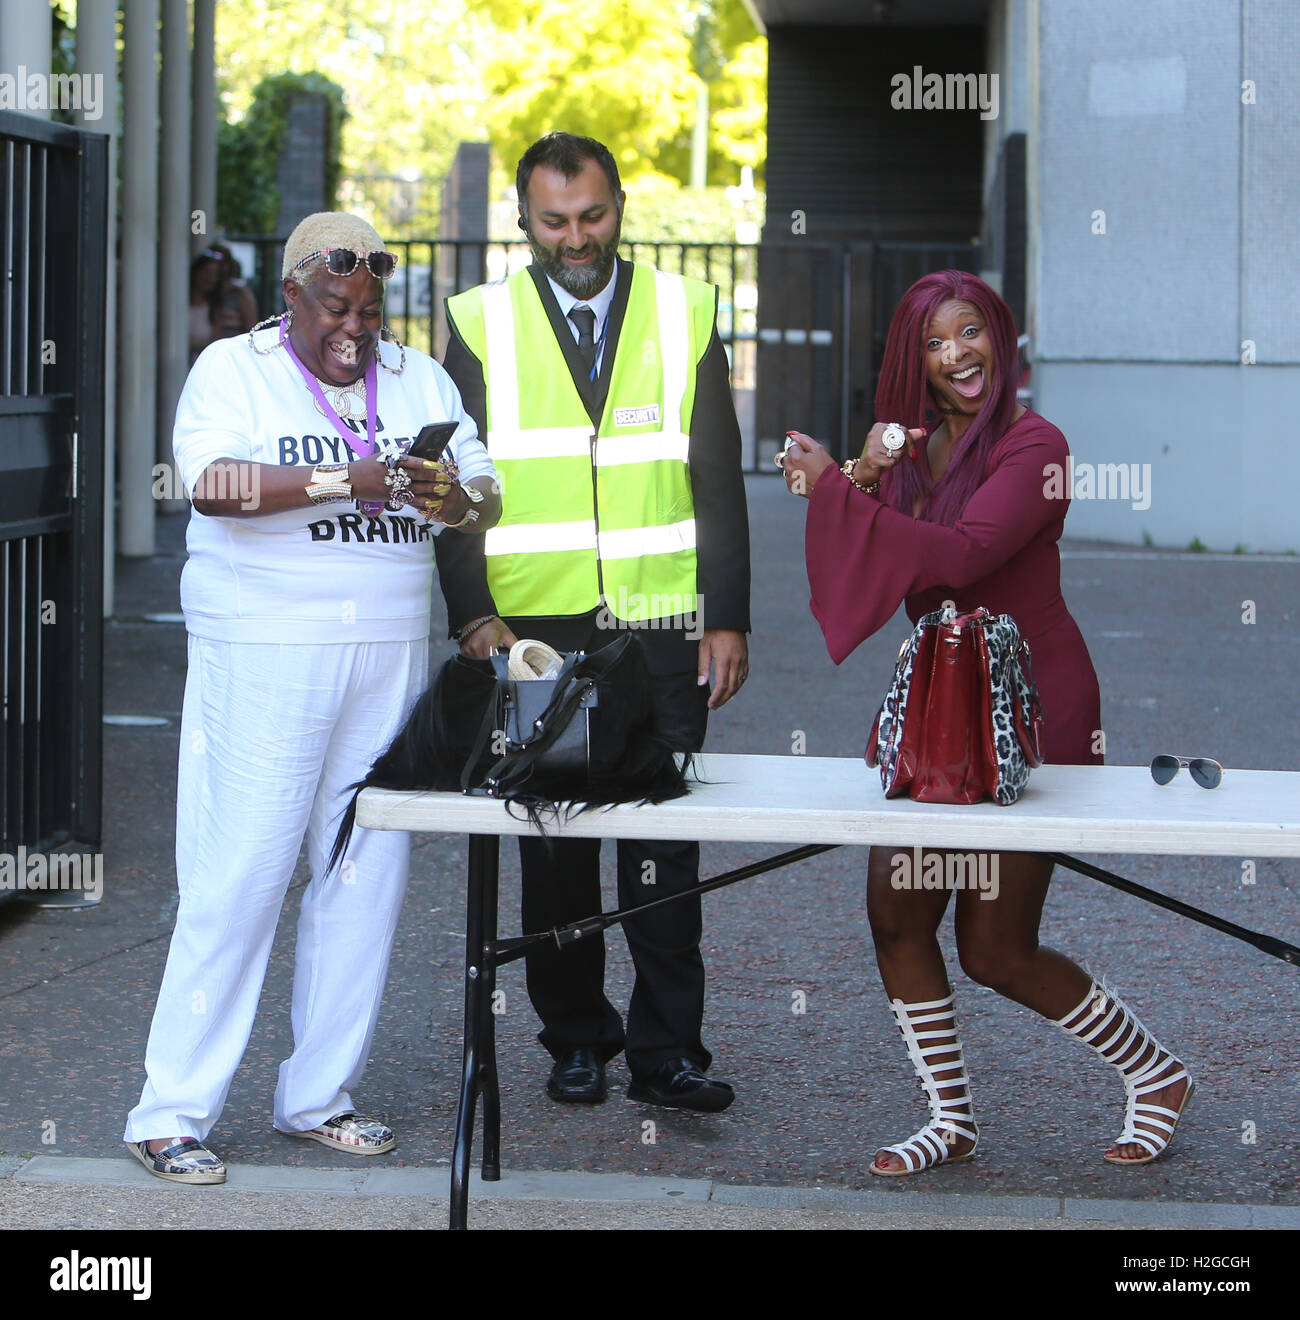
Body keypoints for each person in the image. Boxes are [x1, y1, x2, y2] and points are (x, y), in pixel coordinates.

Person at [781, 270, 1191, 1174]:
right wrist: (861, 476)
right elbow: (893, 572)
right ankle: (951, 1119)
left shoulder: (1037, 444)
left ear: (999, 338)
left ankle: (1155, 1072)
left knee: (996, 947)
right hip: (944, 701)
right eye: (935, 341)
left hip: (1031, 702)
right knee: (896, 912)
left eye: (971, 333)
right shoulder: (910, 447)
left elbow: (962, 558)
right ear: (912, 359)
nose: (958, 355)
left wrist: (845, 493)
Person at [124, 211, 501, 1184]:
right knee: (240, 873)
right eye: (334, 309)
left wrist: (444, 496)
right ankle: (168, 1112)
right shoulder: (233, 369)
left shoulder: (419, 375)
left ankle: (318, 1097)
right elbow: (210, 485)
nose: (354, 330)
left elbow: (485, 498)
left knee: (364, 877)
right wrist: (351, 475)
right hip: (264, 650)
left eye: (369, 314)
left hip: (386, 655)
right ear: (291, 292)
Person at [434, 132, 751, 1112]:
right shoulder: (481, 322)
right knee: (556, 844)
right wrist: (471, 613)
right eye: (553, 221)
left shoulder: (682, 306)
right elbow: (454, 482)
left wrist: (727, 617)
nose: (576, 238)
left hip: (661, 622)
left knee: (662, 847)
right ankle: (576, 1040)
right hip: (537, 629)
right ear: (525, 222)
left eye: (593, 215)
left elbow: (715, 479)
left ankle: (668, 1054)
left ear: (619, 204)